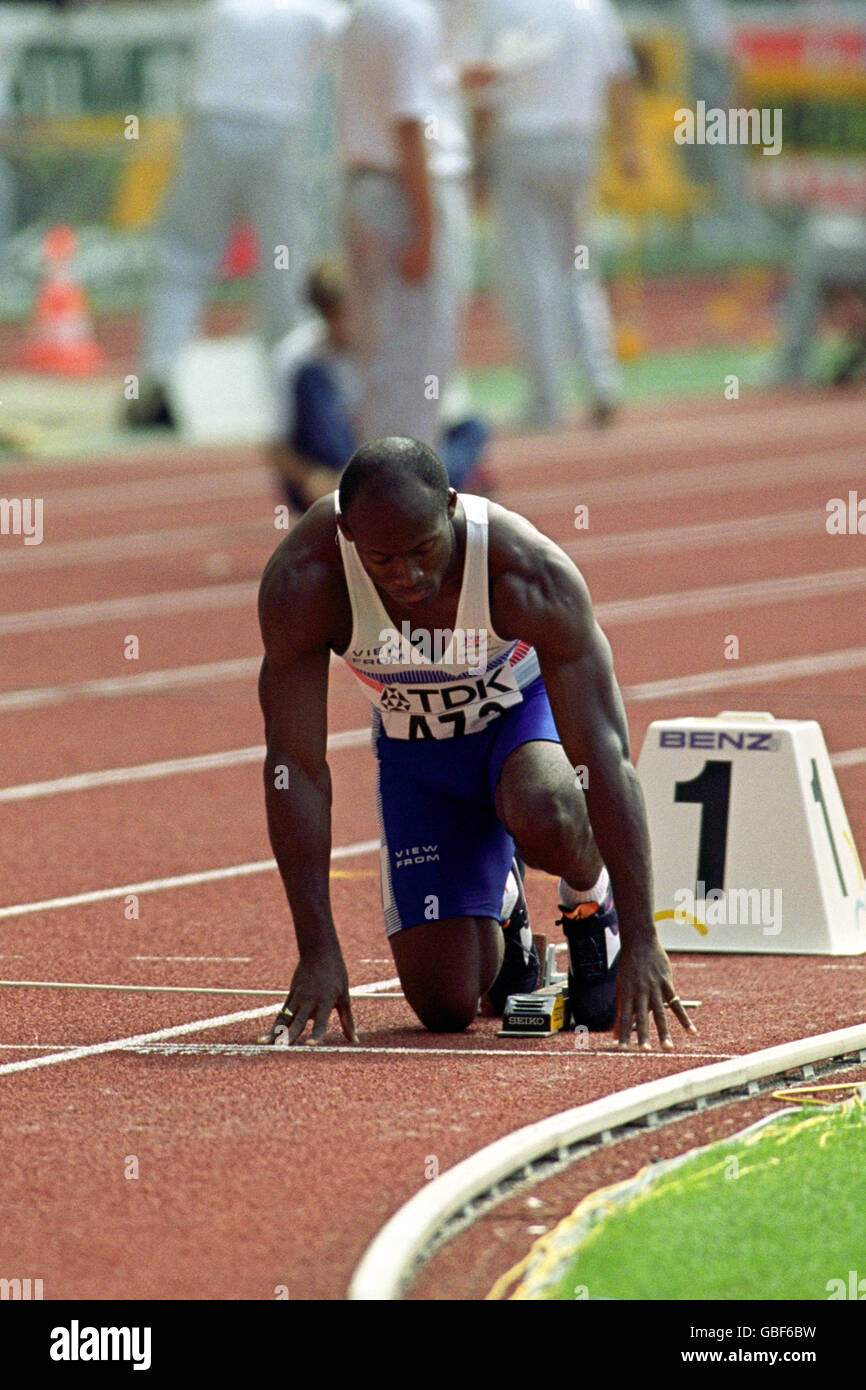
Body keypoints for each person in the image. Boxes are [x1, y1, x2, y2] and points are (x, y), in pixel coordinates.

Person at [257, 435, 695, 1048]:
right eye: (383, 559)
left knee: (546, 806)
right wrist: (317, 948)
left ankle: (589, 899)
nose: (408, 575)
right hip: (420, 752)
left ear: (454, 508)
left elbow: (604, 756)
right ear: (348, 536)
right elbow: (295, 767)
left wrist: (646, 940)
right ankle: (507, 906)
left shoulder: (526, 573)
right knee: (444, 1005)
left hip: (521, 720)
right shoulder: (305, 582)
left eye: (423, 549)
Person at [127, 0, 346, 428]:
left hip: (211, 125)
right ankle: (295, 388)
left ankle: (159, 376)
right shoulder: (313, 11)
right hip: (276, 130)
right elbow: (357, 47)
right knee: (285, 263)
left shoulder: (224, 8)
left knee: (184, 256)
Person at [457, 0, 641, 430]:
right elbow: (622, 75)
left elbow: (488, 91)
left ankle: (547, 397)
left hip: (523, 142)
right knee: (577, 269)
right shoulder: (592, 8)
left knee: (530, 276)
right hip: (580, 144)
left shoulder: (504, 10)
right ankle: (601, 382)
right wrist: (628, 144)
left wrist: (479, 162)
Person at [335, 0, 471, 448]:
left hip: (364, 184)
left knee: (376, 352)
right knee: (418, 358)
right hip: (402, 192)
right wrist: (427, 227)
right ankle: (406, 489)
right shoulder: (410, 17)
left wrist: (455, 80)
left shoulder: (362, 15)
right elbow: (408, 121)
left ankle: (376, 481)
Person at [270, 259, 492, 512]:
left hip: (395, 459)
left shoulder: (398, 346)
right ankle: (388, 489)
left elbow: (444, 418)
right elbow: (277, 447)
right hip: (333, 469)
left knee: (473, 427)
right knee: (310, 381)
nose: (346, 323)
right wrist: (311, 477)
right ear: (323, 314)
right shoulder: (295, 357)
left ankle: (414, 486)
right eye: (335, 314)